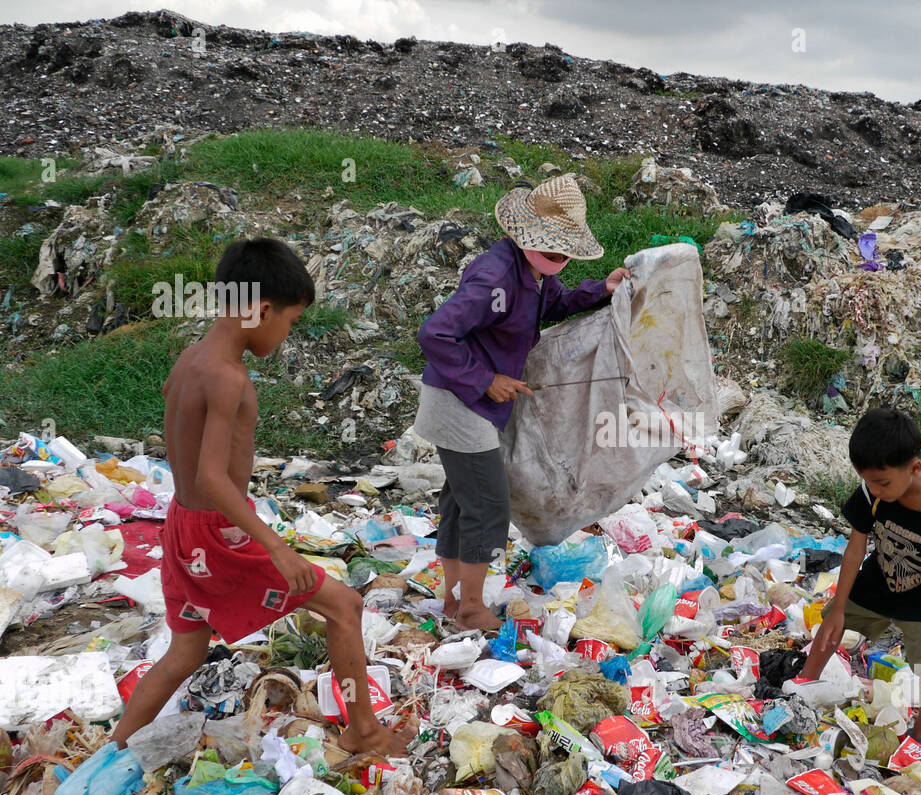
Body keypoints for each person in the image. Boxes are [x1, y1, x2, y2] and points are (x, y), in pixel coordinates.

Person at [108, 238, 412, 757]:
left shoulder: (191, 360)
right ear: (263, 309)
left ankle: (111, 752)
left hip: (181, 524)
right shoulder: (229, 377)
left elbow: (179, 426)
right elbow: (210, 476)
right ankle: (364, 731)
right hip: (216, 531)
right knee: (344, 606)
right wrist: (276, 546)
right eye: (290, 322)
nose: (287, 334)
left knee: (185, 651)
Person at [416, 174, 630, 633]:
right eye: (552, 251)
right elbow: (435, 333)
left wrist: (602, 290)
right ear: (526, 238)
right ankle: (471, 608)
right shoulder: (495, 277)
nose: (560, 260)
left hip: (472, 403)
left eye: (564, 252)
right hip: (458, 402)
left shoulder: (532, 274)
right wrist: (486, 379)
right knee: (489, 506)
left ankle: (455, 602)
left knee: (460, 502)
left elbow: (555, 305)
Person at [792, 407, 921, 754]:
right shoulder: (871, 493)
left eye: (882, 483)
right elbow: (854, 549)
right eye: (867, 481)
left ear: (914, 469)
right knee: (834, 620)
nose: (875, 490)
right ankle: (804, 683)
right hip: (881, 578)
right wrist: (837, 608)